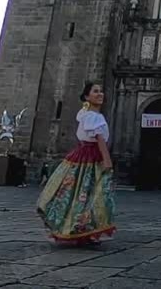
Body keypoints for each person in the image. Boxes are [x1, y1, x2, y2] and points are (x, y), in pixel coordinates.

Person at [36, 81, 116, 245]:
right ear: (87, 96)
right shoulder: (93, 117)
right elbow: (100, 139)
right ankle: (82, 229)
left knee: (75, 193)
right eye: (95, 91)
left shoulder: (85, 113)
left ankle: (76, 229)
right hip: (92, 157)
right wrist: (107, 160)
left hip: (80, 156)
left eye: (101, 91)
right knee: (94, 194)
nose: (100, 94)